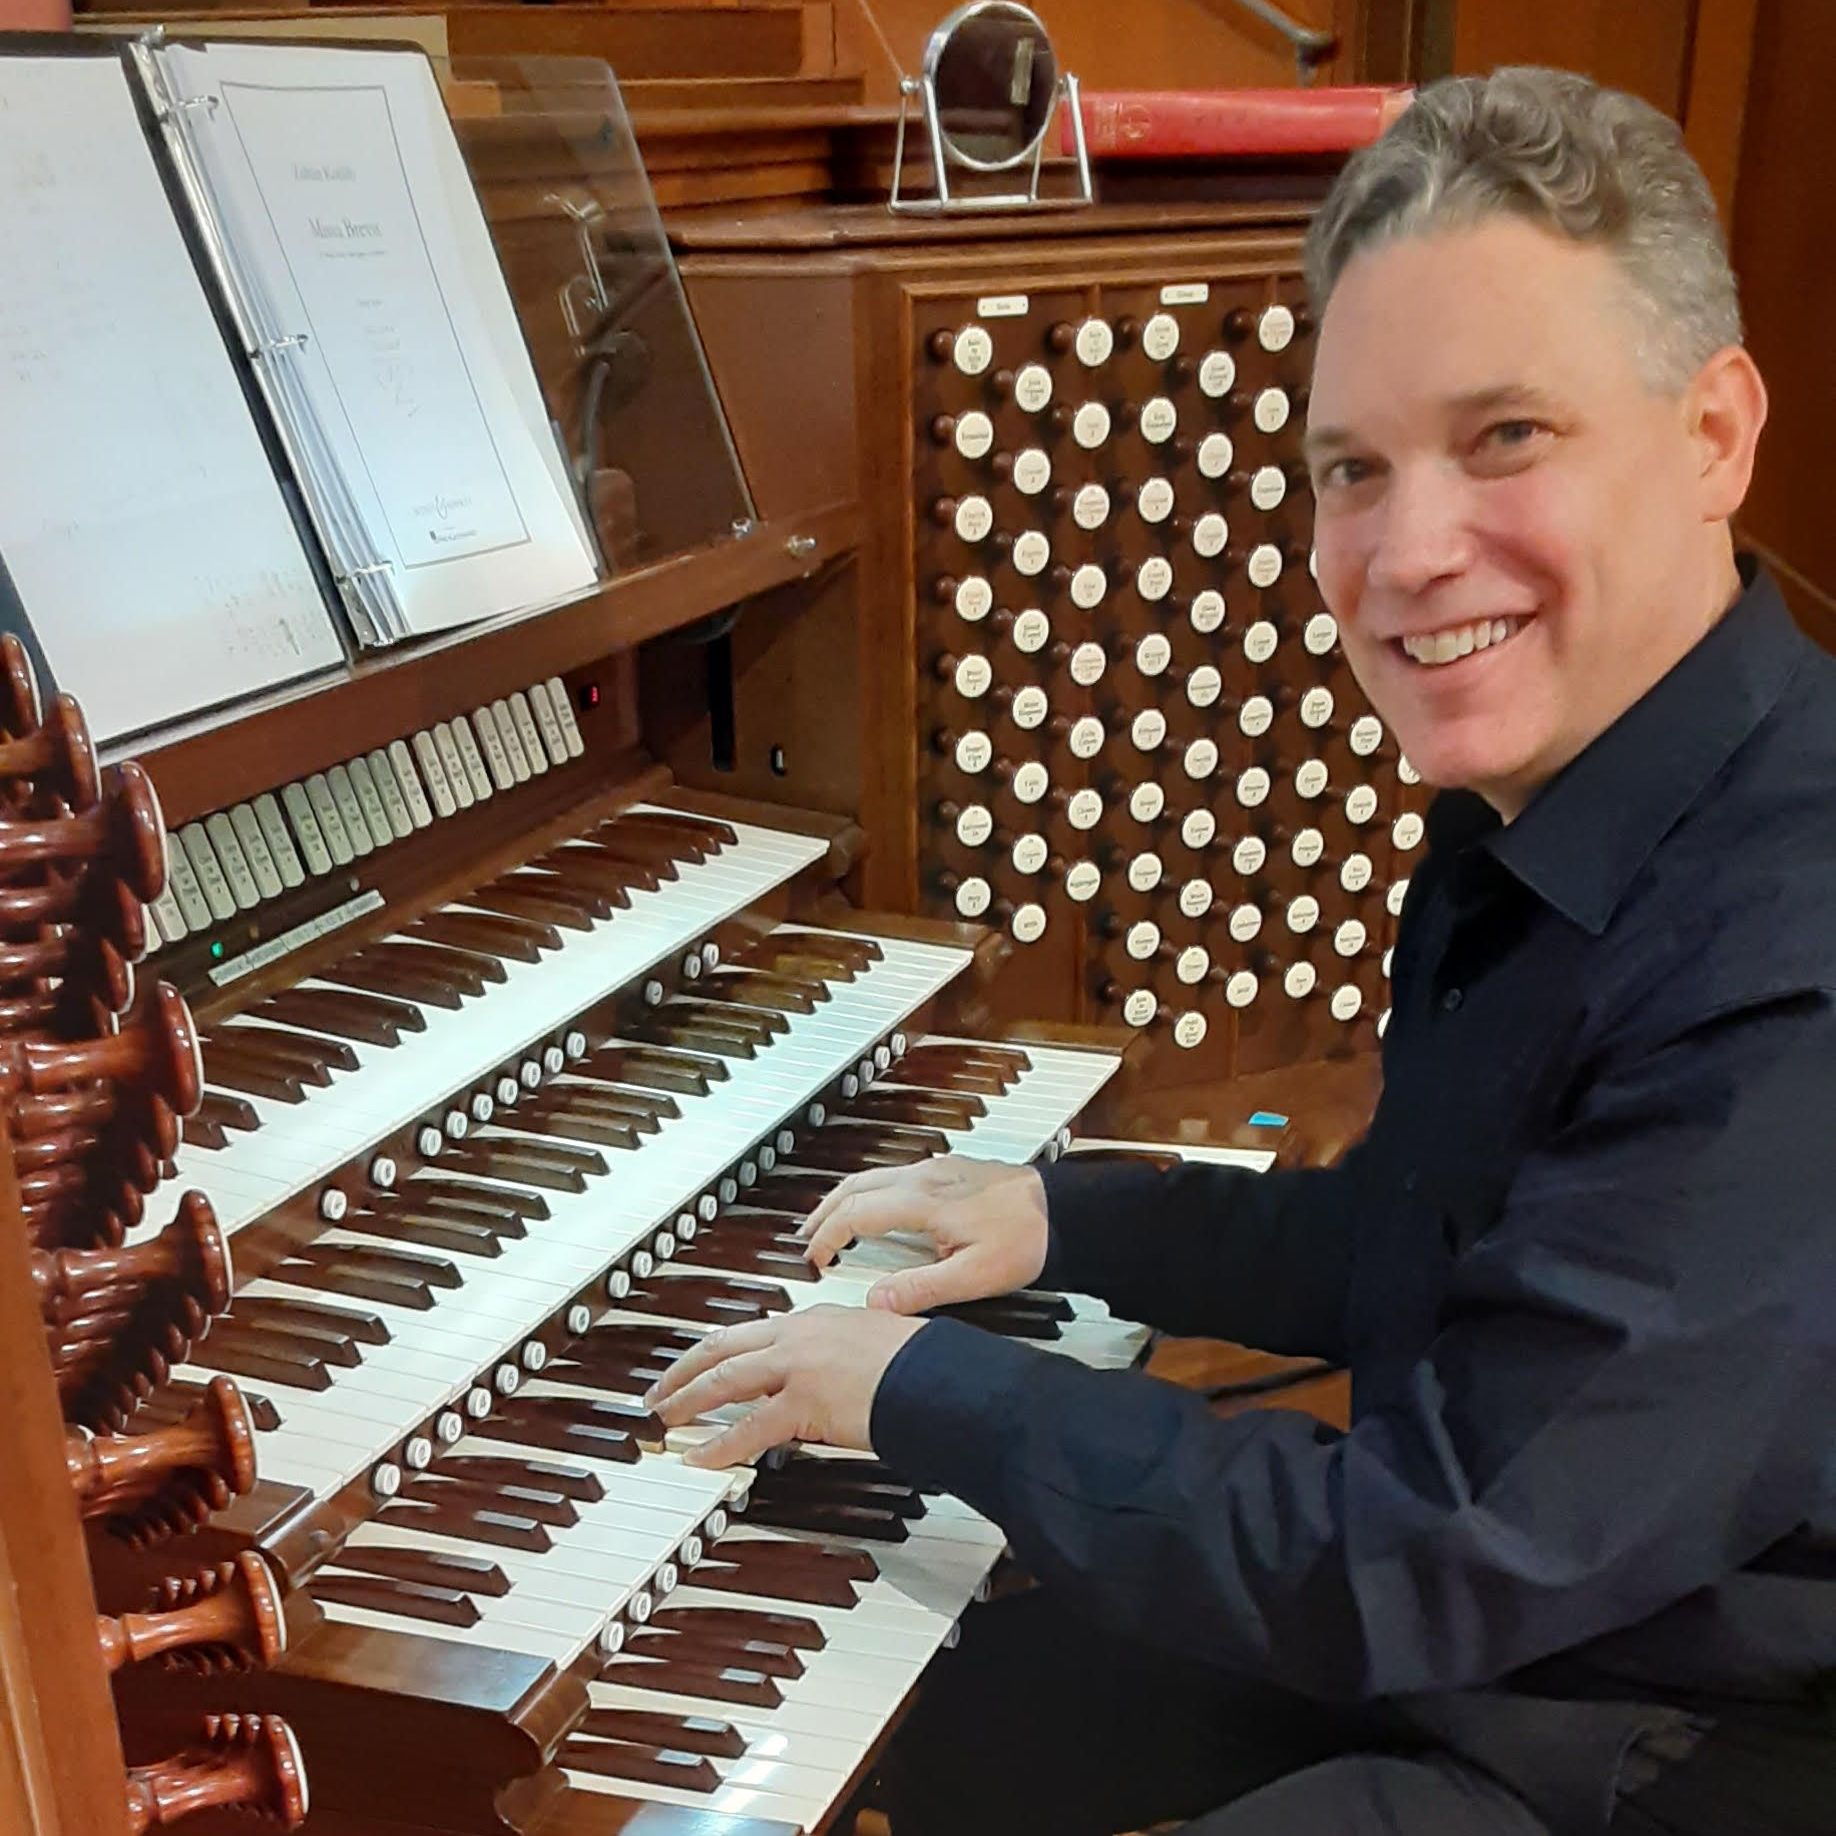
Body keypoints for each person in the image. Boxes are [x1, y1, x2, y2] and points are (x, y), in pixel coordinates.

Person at [647, 66, 1836, 1835]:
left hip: (1659, 1745)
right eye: (1353, 468)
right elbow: (1421, 1243)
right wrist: (1073, 1219)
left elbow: (1423, 1549)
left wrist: (919, 1390)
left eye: (1506, 435)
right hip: (1517, 1620)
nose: (1409, 552)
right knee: (892, 1728)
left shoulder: (1790, 963)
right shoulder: (1564, 795)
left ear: (1715, 431)